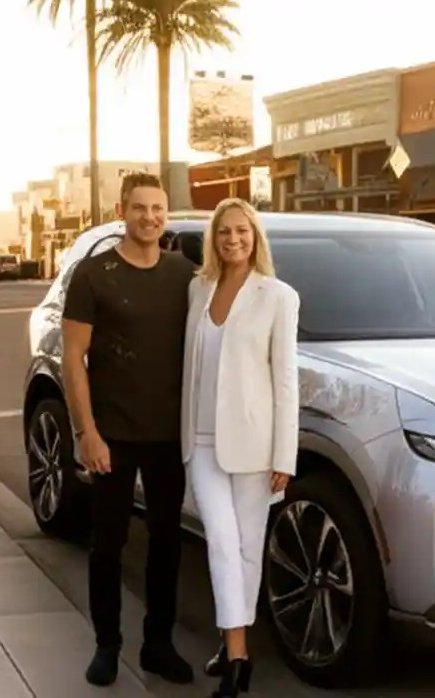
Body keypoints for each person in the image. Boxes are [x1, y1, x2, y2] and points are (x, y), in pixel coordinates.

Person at [61, 172, 196, 687]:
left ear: (166, 213)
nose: (149, 217)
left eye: (157, 208)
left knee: (166, 543)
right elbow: (73, 359)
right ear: (122, 212)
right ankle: (107, 645)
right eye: (139, 208)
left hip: (169, 436)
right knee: (109, 543)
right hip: (112, 434)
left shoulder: (184, 274)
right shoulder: (94, 274)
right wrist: (87, 433)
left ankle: (158, 645)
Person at [181, 197, 300, 697]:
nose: (233, 239)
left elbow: (286, 379)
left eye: (242, 231)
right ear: (214, 238)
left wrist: (285, 455)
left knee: (248, 549)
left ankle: (235, 647)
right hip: (201, 442)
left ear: (255, 238)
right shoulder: (199, 288)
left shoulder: (278, 297)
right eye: (225, 231)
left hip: (255, 446)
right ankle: (236, 658)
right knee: (222, 543)